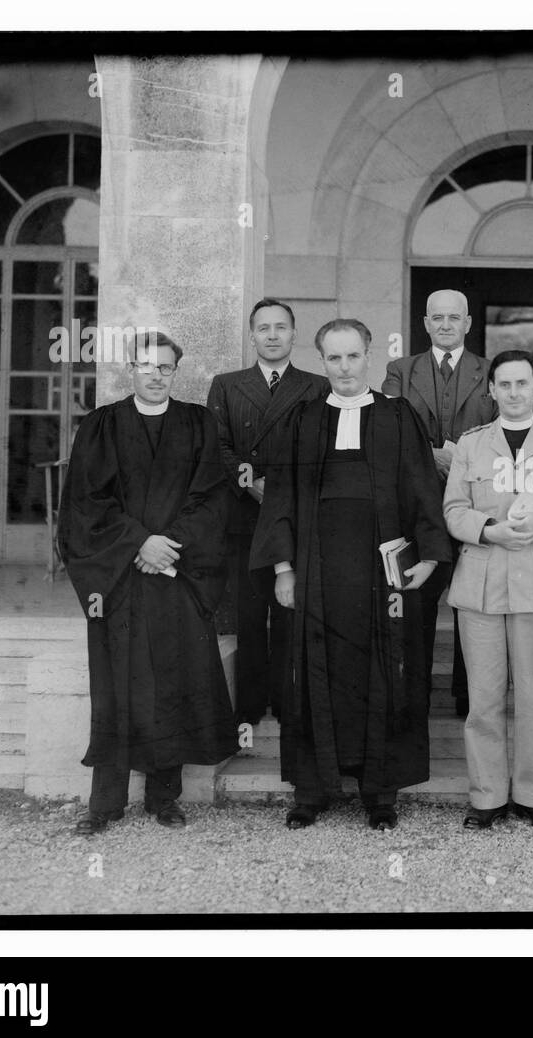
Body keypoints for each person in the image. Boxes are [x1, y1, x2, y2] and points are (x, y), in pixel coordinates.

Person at [251, 319, 449, 831]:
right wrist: (283, 569)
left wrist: (428, 558)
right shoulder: (302, 420)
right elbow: (280, 501)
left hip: (381, 578)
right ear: (322, 361)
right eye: (334, 358)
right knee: (312, 676)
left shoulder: (399, 416)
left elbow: (424, 488)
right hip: (316, 574)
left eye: (353, 357)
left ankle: (379, 791)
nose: (344, 368)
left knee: (384, 676)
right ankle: (312, 789)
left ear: (369, 357)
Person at [59, 331, 238, 835]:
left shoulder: (199, 424)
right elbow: (86, 503)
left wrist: (168, 546)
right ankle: (106, 802)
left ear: (175, 372)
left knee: (175, 684)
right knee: (116, 688)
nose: (155, 374)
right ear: (130, 370)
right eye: (146, 365)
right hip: (119, 579)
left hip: (177, 576)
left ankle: (165, 797)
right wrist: (139, 543)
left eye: (165, 367)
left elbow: (211, 499)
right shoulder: (102, 426)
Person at [445, 349, 533, 830]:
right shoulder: (470, 445)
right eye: (504, 385)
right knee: (483, 699)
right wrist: (489, 529)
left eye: (522, 384)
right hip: (482, 581)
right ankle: (486, 796)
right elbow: (453, 510)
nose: (513, 393)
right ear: (491, 389)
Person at [206, 298, 328, 729]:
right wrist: (251, 483)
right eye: (263, 328)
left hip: (296, 515)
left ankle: (289, 701)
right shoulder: (226, 384)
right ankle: (252, 705)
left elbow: (320, 449)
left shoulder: (316, 386)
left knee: (293, 612)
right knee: (250, 612)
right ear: (252, 335)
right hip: (244, 516)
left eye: (281, 327)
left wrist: (280, 490)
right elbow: (217, 445)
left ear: (294, 334)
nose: (272, 335)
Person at [383, 289, 495, 719]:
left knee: (473, 602)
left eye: (454, 317)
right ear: (425, 323)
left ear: (468, 323)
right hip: (417, 506)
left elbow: (502, 431)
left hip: (475, 503)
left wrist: (461, 459)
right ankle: (416, 697)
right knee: (419, 602)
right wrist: (434, 455)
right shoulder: (400, 369)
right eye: (437, 318)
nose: (446, 324)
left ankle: (470, 699)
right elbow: (391, 428)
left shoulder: (490, 371)